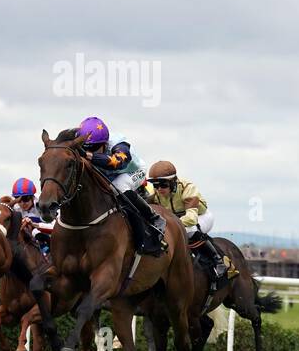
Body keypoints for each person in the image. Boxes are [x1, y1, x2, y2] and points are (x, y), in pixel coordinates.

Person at [77, 116, 166, 256]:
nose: (91, 151)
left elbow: (117, 162)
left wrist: (89, 156)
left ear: (104, 143)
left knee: (118, 186)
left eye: (94, 148)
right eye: (86, 148)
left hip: (132, 171)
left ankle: (153, 218)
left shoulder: (119, 143)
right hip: (108, 173)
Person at [146, 160, 228, 286]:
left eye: (163, 185)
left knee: (189, 230)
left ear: (173, 181)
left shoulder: (188, 189)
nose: (159, 189)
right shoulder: (155, 194)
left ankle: (218, 261)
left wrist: (171, 225)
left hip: (200, 216)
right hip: (176, 219)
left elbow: (191, 218)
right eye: (155, 185)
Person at [11, 177, 52, 253]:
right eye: (19, 200)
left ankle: (46, 250)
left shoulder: (43, 204)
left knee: (34, 229)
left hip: (47, 234)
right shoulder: (15, 207)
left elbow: (53, 225)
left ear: (32, 197)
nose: (23, 203)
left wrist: (33, 222)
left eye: (26, 199)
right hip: (27, 237)